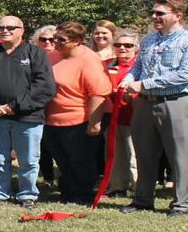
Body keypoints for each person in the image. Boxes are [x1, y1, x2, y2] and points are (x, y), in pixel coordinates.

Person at [117, 0, 188, 218]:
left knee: (180, 157)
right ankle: (142, 200)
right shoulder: (148, 41)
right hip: (145, 105)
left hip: (177, 103)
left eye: (160, 13)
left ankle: (181, 204)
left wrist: (143, 84)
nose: (154, 17)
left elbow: (185, 76)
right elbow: (137, 67)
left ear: (177, 15)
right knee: (144, 154)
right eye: (153, 13)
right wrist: (128, 80)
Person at [0, 15, 55, 207]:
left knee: (29, 160)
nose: (5, 30)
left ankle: (27, 195)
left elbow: (44, 85)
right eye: (1, 27)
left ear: (21, 31)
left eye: (11, 27)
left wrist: (15, 106)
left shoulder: (35, 53)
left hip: (28, 116)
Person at [42, 22, 113, 205]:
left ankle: (82, 195)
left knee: (80, 160)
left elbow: (98, 93)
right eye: (54, 38)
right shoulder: (53, 56)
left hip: (81, 119)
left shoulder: (89, 60)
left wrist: (94, 122)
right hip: (54, 119)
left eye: (61, 40)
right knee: (63, 159)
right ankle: (67, 192)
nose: (55, 42)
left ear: (77, 41)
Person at [103, 29, 141, 195]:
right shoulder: (107, 64)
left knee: (134, 153)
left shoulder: (140, 65)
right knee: (114, 153)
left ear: (136, 48)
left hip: (135, 115)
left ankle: (139, 187)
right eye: (118, 44)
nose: (123, 48)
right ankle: (117, 186)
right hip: (112, 116)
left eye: (128, 45)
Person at [31, 25, 60, 190]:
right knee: (40, 145)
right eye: (44, 39)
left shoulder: (62, 57)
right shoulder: (32, 56)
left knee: (56, 144)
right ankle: (47, 177)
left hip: (58, 106)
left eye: (52, 39)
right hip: (37, 106)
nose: (48, 42)